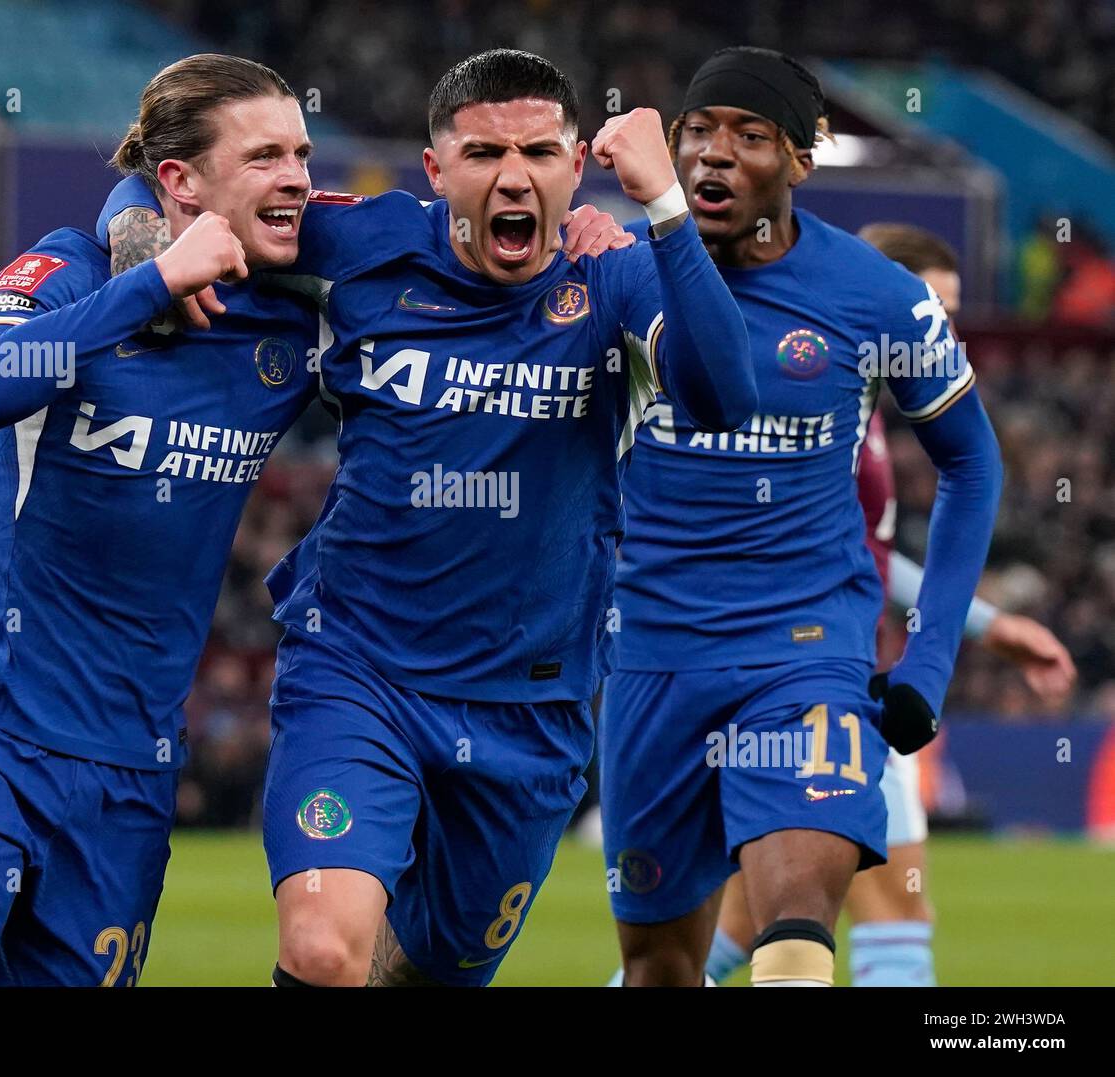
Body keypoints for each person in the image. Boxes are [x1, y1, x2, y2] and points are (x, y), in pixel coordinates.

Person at [98, 47, 757, 986]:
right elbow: (171, 182)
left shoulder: (615, 276)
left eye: (539, 152)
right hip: (358, 667)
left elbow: (726, 396)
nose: (514, 176)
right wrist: (133, 235)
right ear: (436, 169)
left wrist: (665, 209)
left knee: (425, 974)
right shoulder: (363, 244)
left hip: (529, 703)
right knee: (325, 951)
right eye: (484, 154)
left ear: (577, 168)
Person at [0, 54, 325, 986]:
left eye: (302, 153)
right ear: (180, 181)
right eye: (266, 155)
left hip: (127, 765)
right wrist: (149, 280)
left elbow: (430, 238)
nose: (299, 177)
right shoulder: (68, 271)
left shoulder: (289, 315)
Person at [598, 46, 1002, 987]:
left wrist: (930, 659)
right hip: (653, 658)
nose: (714, 156)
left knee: (795, 915)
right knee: (663, 965)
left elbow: (973, 464)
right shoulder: (619, 274)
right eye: (698, 132)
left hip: (806, 649)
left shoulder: (878, 294)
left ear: (800, 161)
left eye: (750, 136)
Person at [703, 223, 1076, 988]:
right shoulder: (825, 412)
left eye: (952, 313)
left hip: (828, 677)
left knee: (738, 929)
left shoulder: (864, 408)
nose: (944, 332)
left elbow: (868, 554)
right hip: (813, 686)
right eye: (932, 309)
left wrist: (984, 625)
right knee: (889, 918)